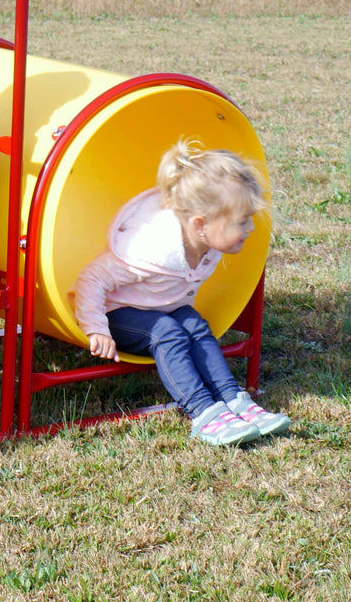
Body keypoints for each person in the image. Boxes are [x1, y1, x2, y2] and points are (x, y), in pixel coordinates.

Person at [73, 138, 288, 446]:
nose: (250, 228)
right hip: (118, 315)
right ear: (200, 224)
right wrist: (97, 329)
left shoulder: (207, 241)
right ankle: (203, 413)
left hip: (164, 308)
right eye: (241, 222)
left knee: (195, 325)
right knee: (167, 333)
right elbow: (91, 279)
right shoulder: (149, 250)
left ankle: (233, 400)